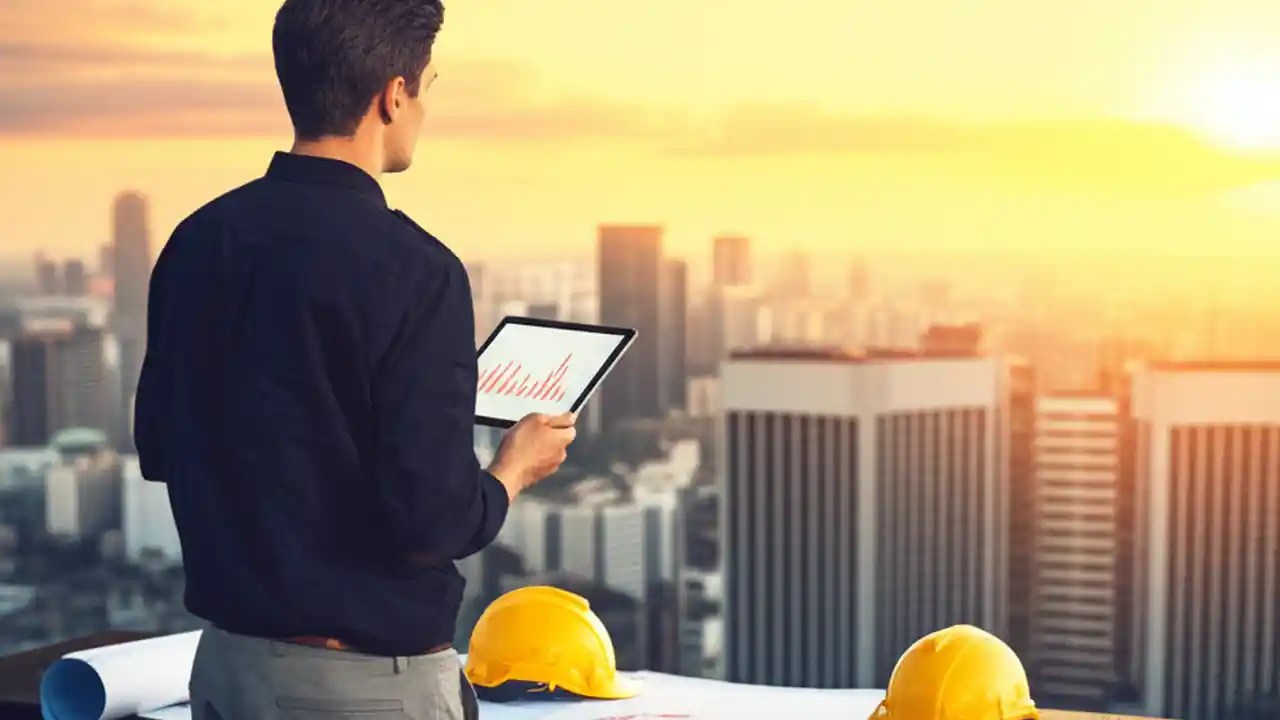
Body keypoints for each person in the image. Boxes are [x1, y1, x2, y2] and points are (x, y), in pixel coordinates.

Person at [132, 1, 577, 718]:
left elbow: (159, 448)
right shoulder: (416, 270)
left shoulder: (197, 241)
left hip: (224, 673)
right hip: (362, 688)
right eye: (426, 88)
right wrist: (512, 470)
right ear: (394, 95)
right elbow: (431, 522)